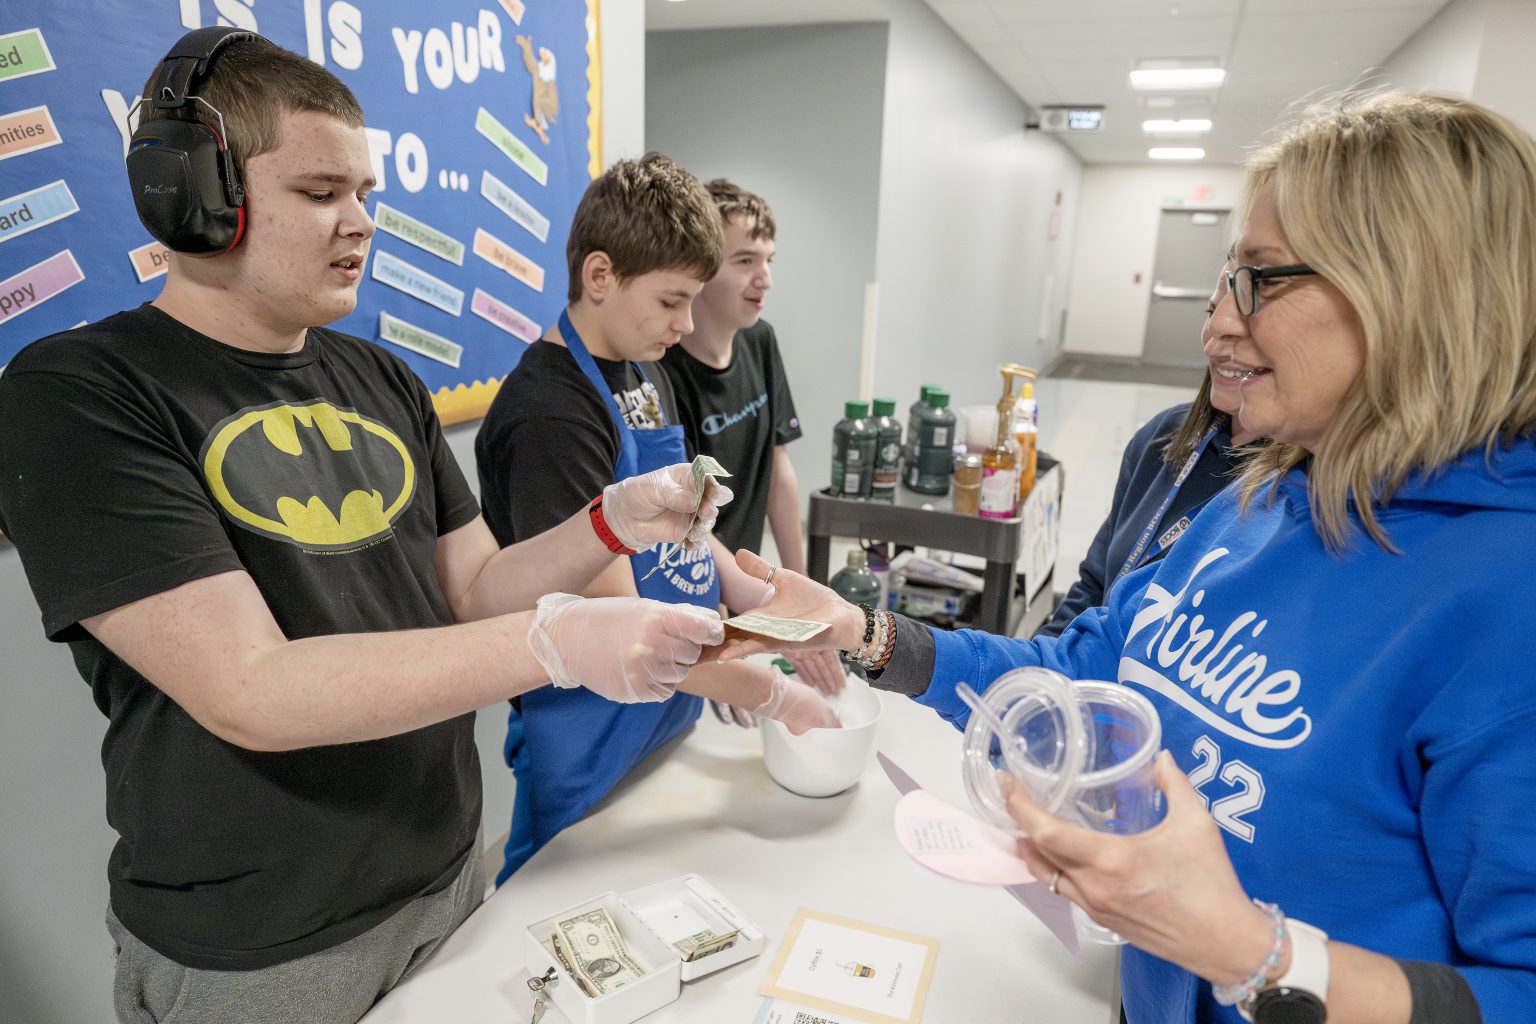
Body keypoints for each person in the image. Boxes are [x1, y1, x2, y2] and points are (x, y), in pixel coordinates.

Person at [717, 91, 1536, 1023]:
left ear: (1412, 291)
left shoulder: (1508, 601)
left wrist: (1254, 955)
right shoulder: (1262, 497)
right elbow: (1081, 674)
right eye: (1228, 275)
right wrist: (862, 632)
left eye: (1261, 279)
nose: (1218, 324)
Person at [0, 30, 730, 1024]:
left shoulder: (382, 376)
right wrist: (554, 644)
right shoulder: (81, 392)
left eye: (367, 196)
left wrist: (611, 521)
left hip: (444, 878)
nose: (359, 225)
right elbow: (249, 688)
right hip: (263, 947)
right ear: (193, 193)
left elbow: (472, 588)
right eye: (319, 193)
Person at [475, 153, 838, 884]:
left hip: (665, 720)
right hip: (585, 737)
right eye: (672, 300)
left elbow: (690, 548)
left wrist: (772, 609)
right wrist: (768, 688)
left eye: (694, 299)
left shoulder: (644, 372)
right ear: (600, 276)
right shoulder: (553, 414)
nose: (686, 323)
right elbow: (621, 622)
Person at [658, 179, 842, 695]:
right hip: (695, 588)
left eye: (769, 260)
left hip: (748, 585)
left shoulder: (761, 341)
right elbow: (682, 516)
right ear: (699, 269)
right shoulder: (664, 373)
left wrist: (802, 592)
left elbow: (777, 467)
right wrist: (749, 605)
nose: (764, 278)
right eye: (744, 261)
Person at [1039, 285, 1262, 637]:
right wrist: (1033, 673)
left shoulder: (1297, 494)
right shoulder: (1163, 437)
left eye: (1249, 322)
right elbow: (1095, 586)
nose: (1213, 342)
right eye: (1211, 312)